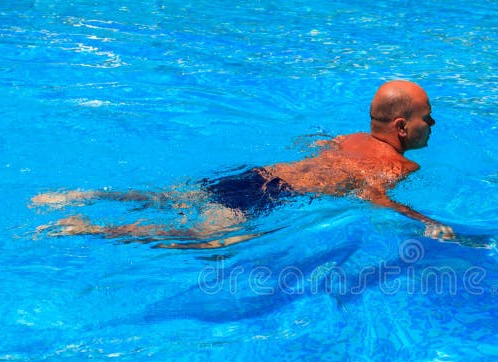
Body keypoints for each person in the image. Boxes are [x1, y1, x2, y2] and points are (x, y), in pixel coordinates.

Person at [31, 80, 455, 248]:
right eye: (428, 118)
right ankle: (90, 228)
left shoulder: (349, 138)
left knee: (165, 198)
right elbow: (371, 194)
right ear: (402, 126)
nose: (432, 125)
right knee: (209, 241)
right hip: (275, 196)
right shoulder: (401, 166)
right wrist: (424, 220)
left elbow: (316, 144)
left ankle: (83, 195)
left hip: (259, 174)